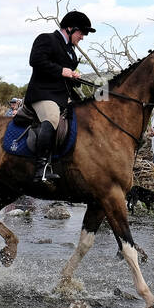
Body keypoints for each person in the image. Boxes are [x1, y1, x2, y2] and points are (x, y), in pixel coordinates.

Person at [26, 9, 94, 183]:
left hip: (62, 97)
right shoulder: (46, 39)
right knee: (52, 118)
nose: (83, 37)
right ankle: (41, 168)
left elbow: (65, 77)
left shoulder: (70, 50)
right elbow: (36, 60)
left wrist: (74, 77)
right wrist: (61, 71)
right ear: (70, 28)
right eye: (82, 32)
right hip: (43, 94)